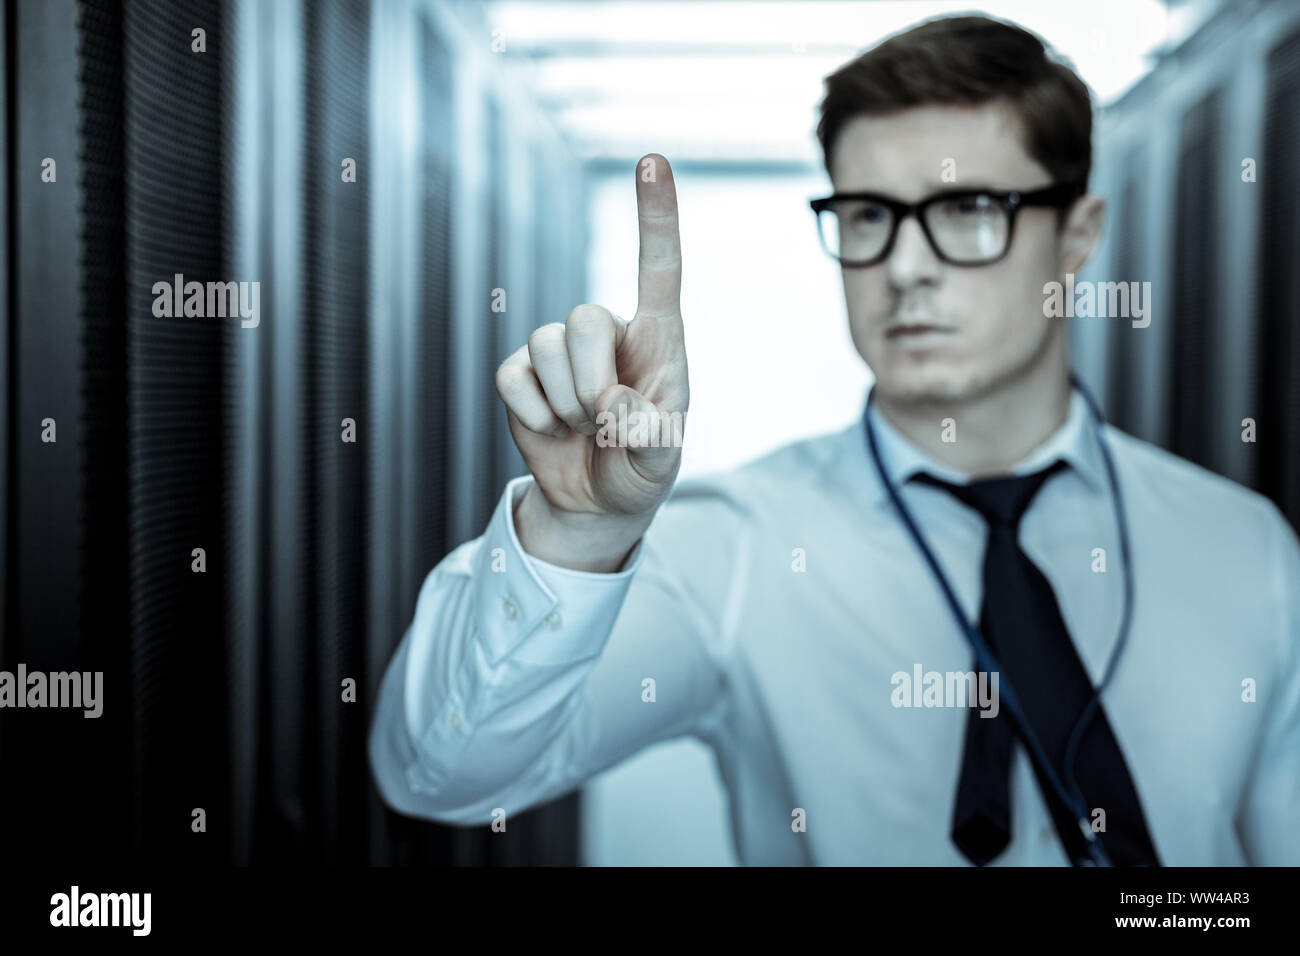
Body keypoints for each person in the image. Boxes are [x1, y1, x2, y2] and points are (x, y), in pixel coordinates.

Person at [367, 14, 1300, 865]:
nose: (902, 268)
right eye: (866, 216)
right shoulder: (740, 541)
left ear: (1077, 236)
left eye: (969, 210)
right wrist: (573, 536)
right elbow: (442, 775)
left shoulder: (1244, 551)